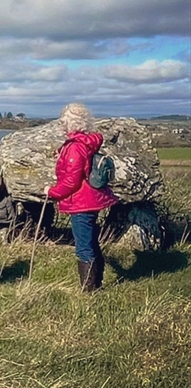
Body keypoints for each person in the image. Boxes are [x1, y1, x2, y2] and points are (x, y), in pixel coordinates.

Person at [44, 103, 117, 292]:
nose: (61, 124)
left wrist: (52, 192)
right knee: (90, 240)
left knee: (83, 245)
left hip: (81, 201)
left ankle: (89, 289)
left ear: (71, 123)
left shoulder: (75, 147)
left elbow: (71, 181)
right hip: (92, 197)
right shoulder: (86, 142)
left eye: (64, 121)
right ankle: (96, 283)